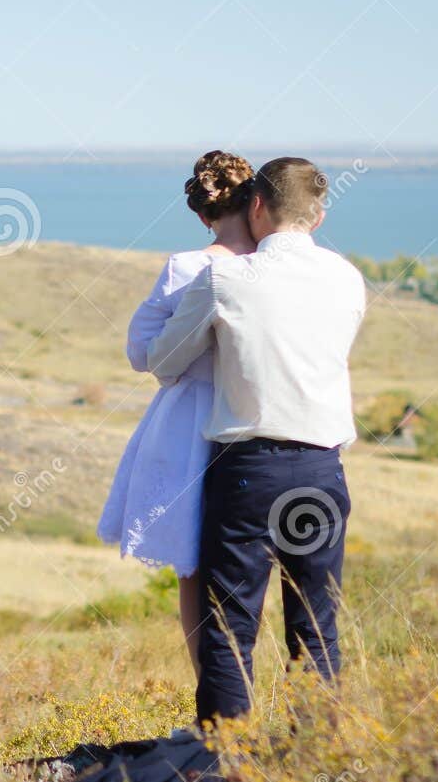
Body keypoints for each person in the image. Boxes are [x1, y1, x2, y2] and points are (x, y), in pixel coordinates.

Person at [145, 157, 366, 724]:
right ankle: (312, 765)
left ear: (258, 206)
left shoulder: (225, 279)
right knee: (316, 628)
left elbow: (163, 360)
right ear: (317, 217)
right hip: (322, 470)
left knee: (229, 629)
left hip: (248, 472)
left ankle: (226, 764)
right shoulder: (347, 277)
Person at [97, 151, 257, 671]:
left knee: (193, 566)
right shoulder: (267, 267)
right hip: (252, 413)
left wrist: (178, 354)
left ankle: (208, 692)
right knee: (249, 565)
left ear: (201, 212)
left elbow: (141, 352)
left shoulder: (186, 266)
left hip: (187, 420)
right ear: (255, 204)